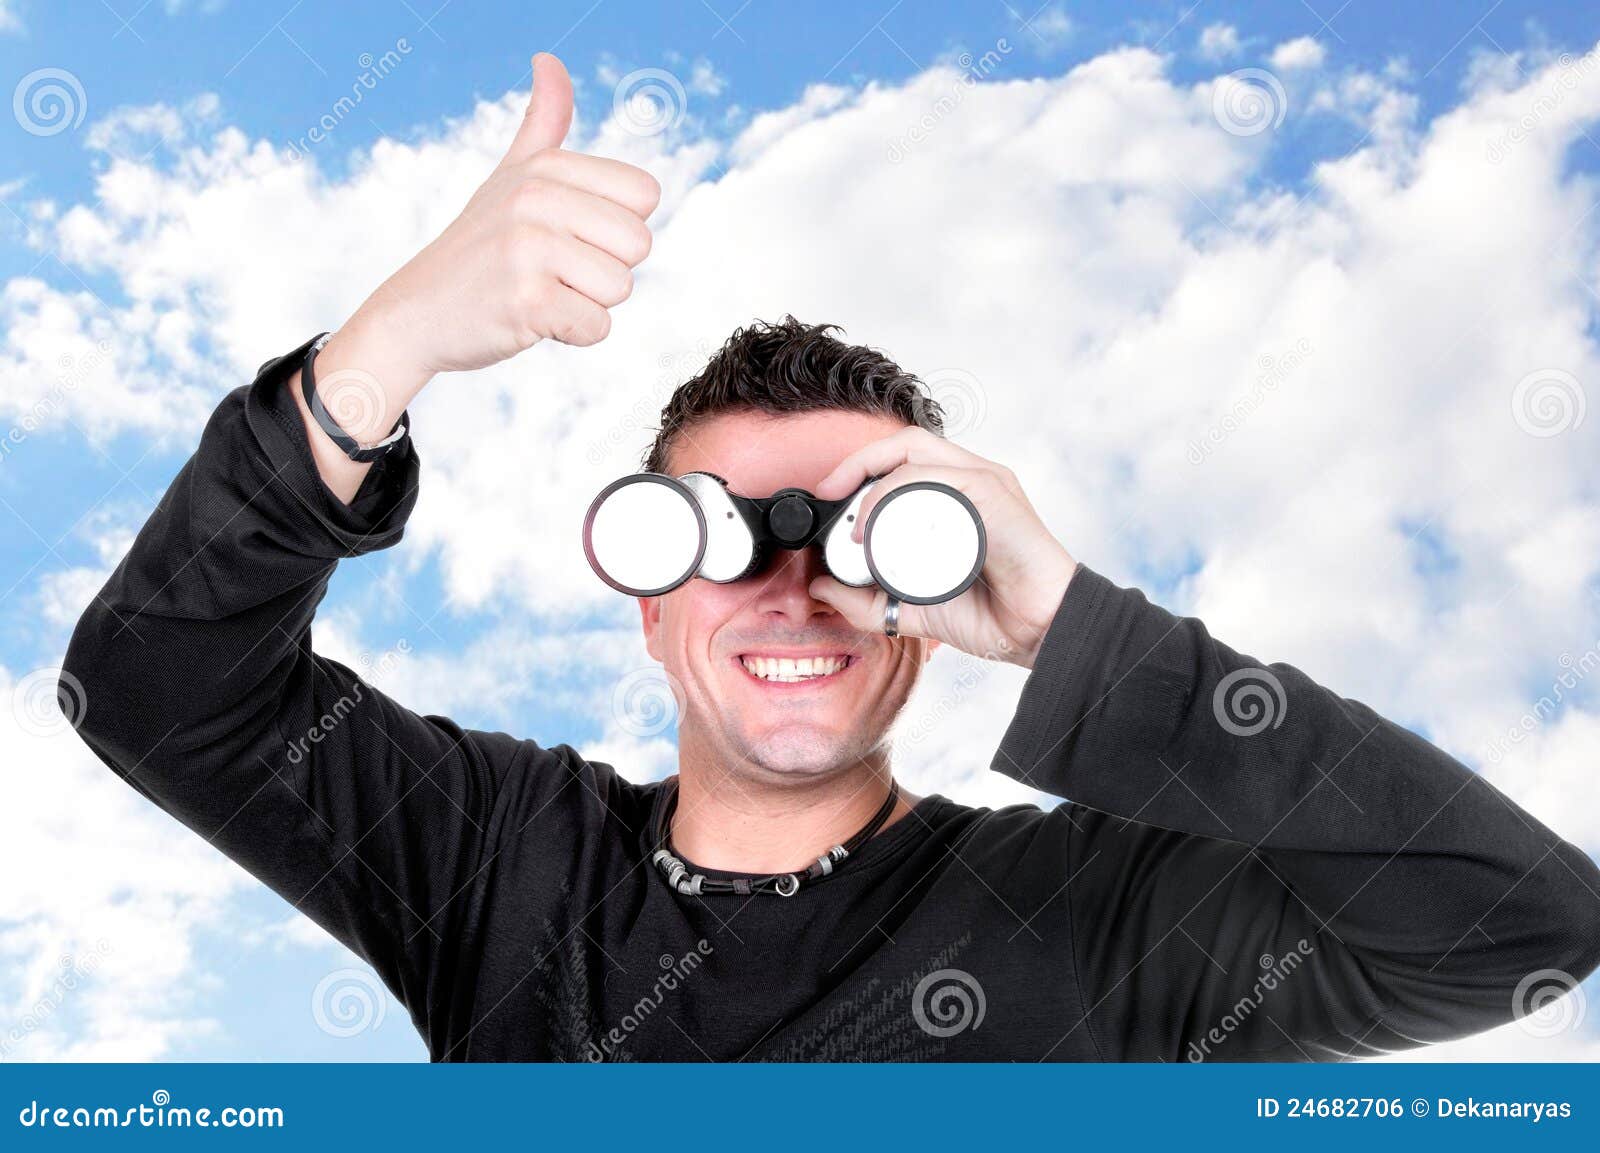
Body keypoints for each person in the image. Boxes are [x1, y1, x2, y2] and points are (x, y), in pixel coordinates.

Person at [62, 53, 1600, 1062]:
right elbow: (148, 688)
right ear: (649, 602)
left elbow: (1528, 925)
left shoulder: (1101, 916)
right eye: (717, 535)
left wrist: (1072, 624)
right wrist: (382, 346)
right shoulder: (497, 861)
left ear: (935, 613)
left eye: (869, 539)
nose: (794, 583)